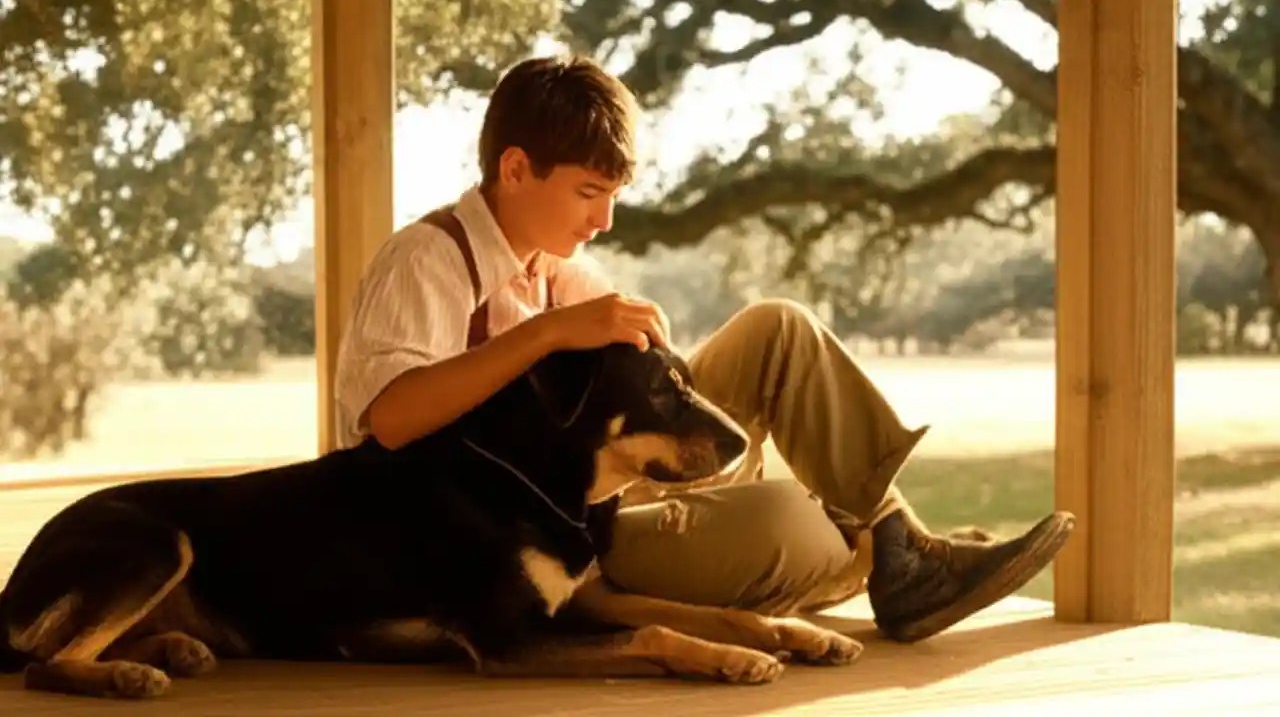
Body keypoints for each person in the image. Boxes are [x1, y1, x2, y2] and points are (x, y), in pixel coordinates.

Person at [332, 54, 1074, 642]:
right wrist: (550, 331)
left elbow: (659, 403)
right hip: (518, 536)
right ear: (517, 168)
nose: (606, 220)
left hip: (605, 487)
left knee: (777, 329)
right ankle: (869, 559)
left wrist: (650, 358)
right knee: (791, 525)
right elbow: (390, 422)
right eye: (590, 192)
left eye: (613, 195)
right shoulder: (427, 261)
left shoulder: (557, 268)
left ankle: (891, 538)